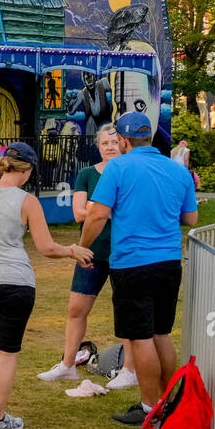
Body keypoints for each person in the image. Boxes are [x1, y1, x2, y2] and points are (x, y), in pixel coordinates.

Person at [0, 143, 93, 429]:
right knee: (6, 351)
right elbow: (47, 247)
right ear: (27, 171)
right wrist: (73, 250)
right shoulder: (27, 202)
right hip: (15, 282)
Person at [78, 111, 198, 426]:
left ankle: (148, 408)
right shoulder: (178, 170)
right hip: (169, 262)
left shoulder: (118, 167)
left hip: (132, 263)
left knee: (141, 337)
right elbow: (190, 219)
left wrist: (83, 246)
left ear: (124, 140)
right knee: (161, 333)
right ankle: (169, 403)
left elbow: (98, 215)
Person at [38, 125, 137, 389]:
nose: (110, 147)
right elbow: (80, 214)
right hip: (91, 251)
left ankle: (130, 370)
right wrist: (102, 208)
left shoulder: (129, 171)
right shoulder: (87, 174)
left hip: (124, 252)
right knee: (75, 309)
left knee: (125, 311)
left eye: (114, 142)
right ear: (98, 146)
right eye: (105, 143)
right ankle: (68, 364)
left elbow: (128, 212)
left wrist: (97, 208)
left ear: (124, 144)